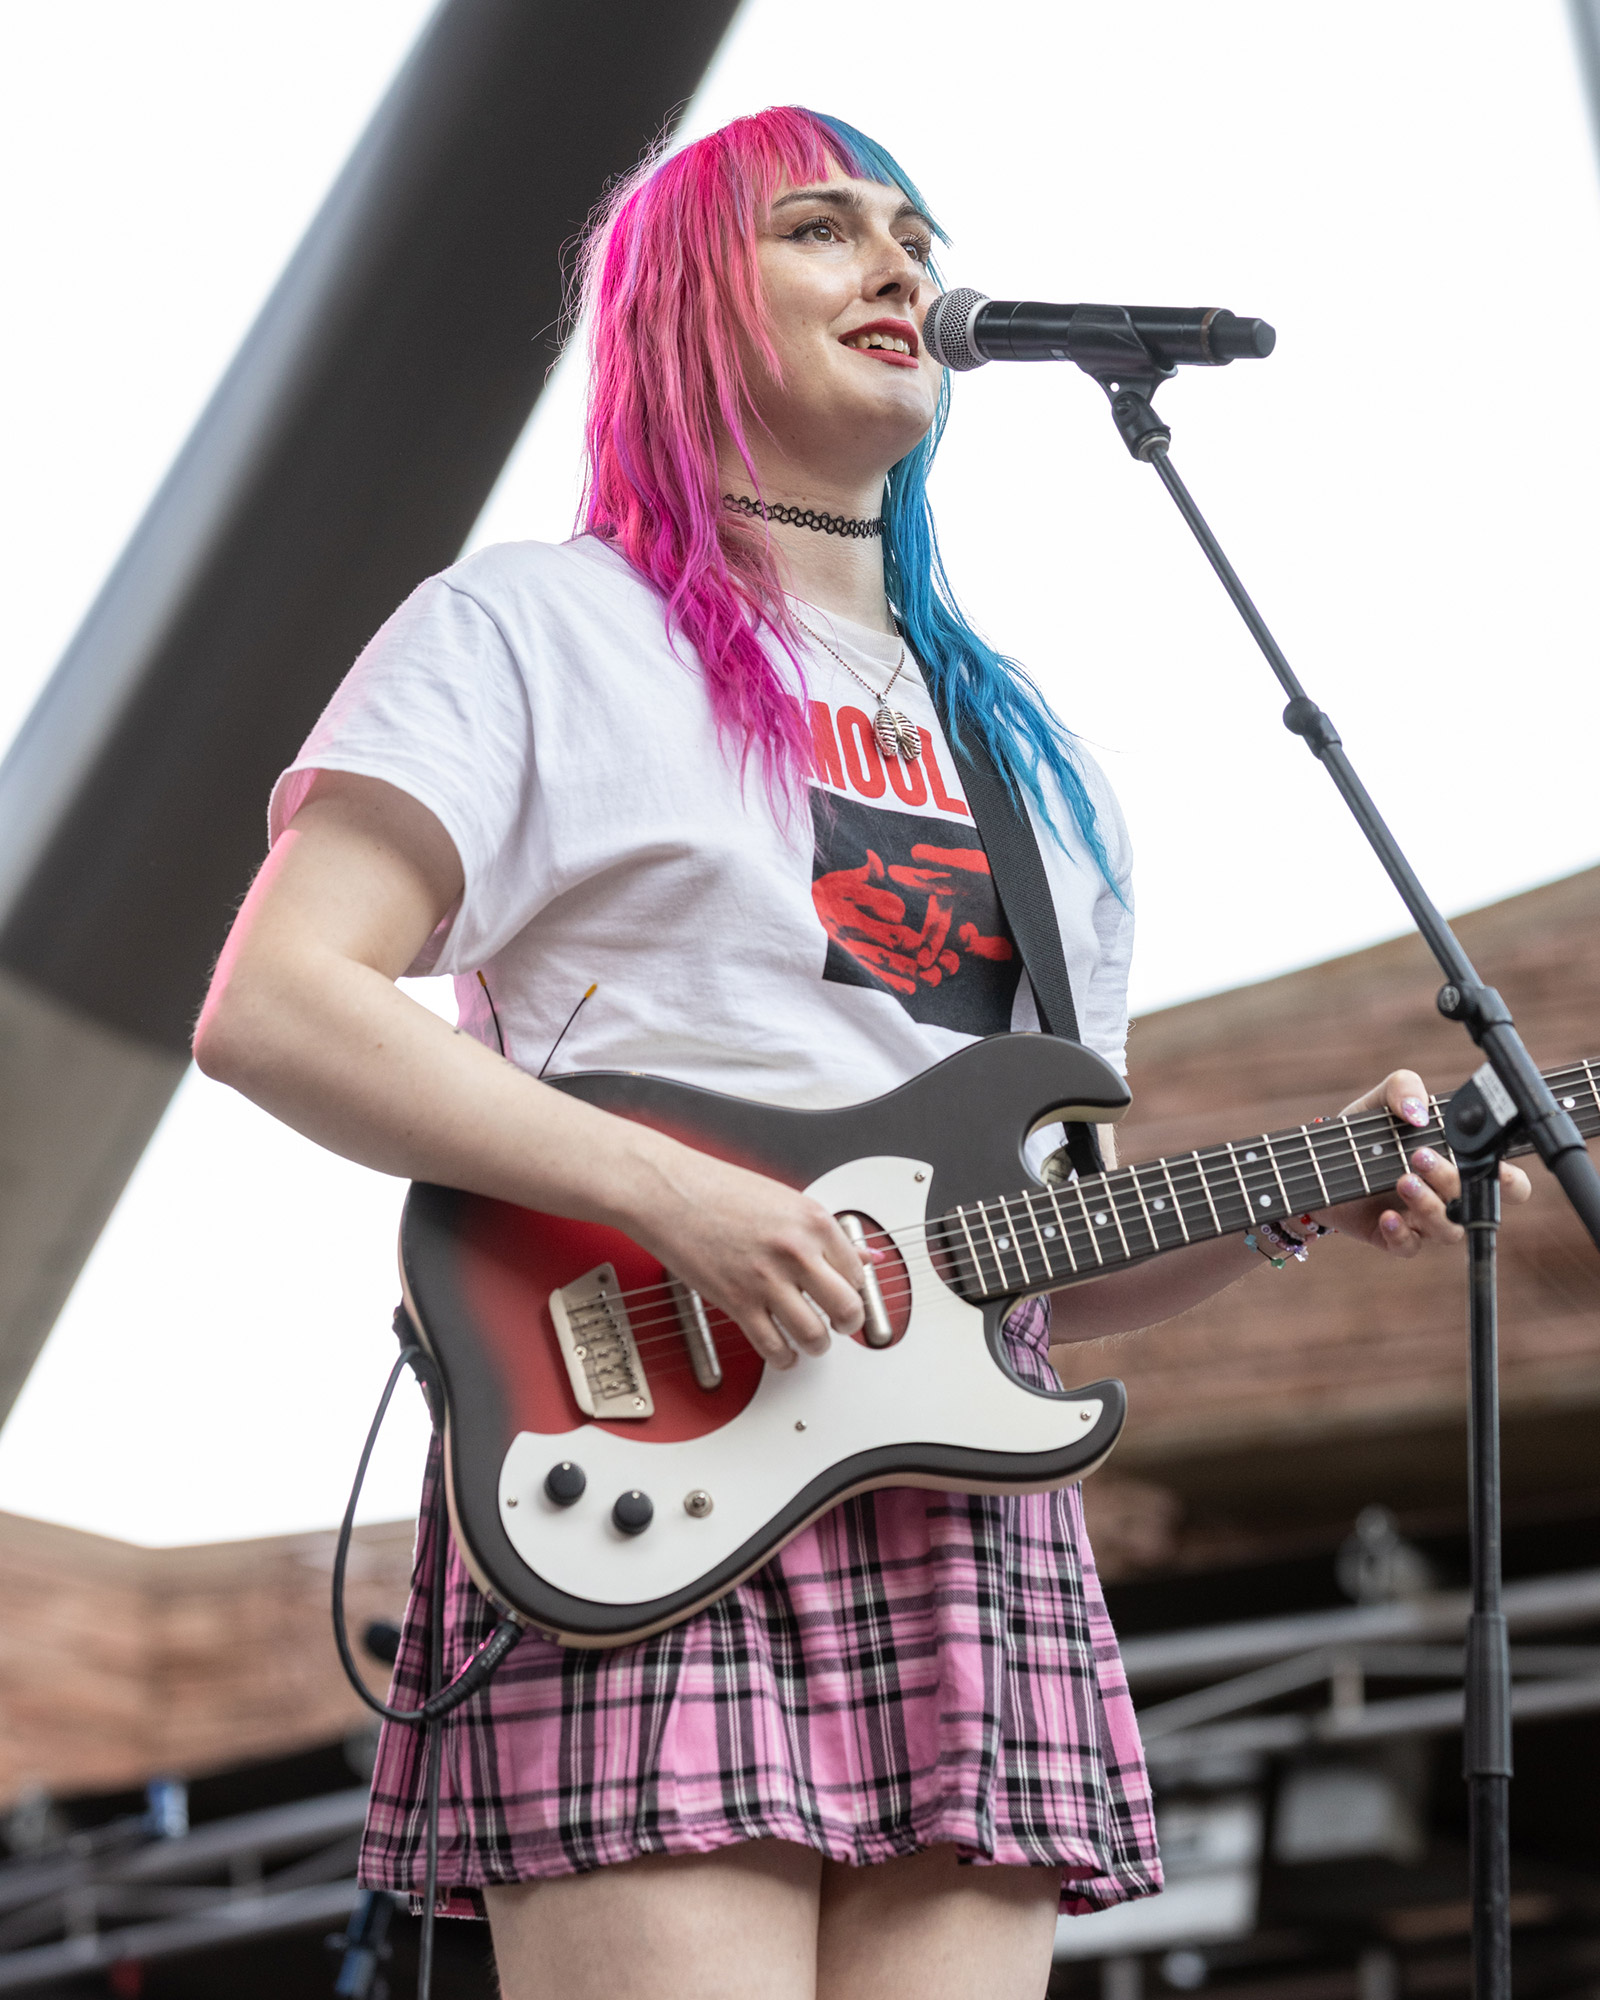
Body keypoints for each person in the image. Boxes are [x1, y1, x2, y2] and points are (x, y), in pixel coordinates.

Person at [193, 107, 1530, 2000]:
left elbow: (1023, 1251)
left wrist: (1285, 1202)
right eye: (823, 230)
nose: (904, 269)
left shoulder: (1036, 761)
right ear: (681, 312)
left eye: (915, 233)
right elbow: (278, 1000)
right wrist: (690, 1203)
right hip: (643, 1425)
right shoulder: (538, 630)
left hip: (965, 1513)